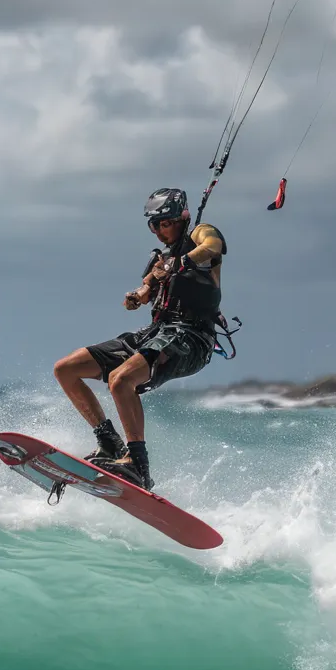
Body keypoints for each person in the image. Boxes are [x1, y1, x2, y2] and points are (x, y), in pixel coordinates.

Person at [53, 188, 226, 491]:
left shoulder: (200, 233)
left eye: (165, 223)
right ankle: (110, 443)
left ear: (182, 218)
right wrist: (136, 296)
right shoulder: (160, 260)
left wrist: (181, 262)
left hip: (191, 337)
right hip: (156, 333)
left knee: (120, 380)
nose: (159, 231)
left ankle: (138, 465)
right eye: (153, 225)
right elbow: (145, 291)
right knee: (66, 369)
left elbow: (214, 246)